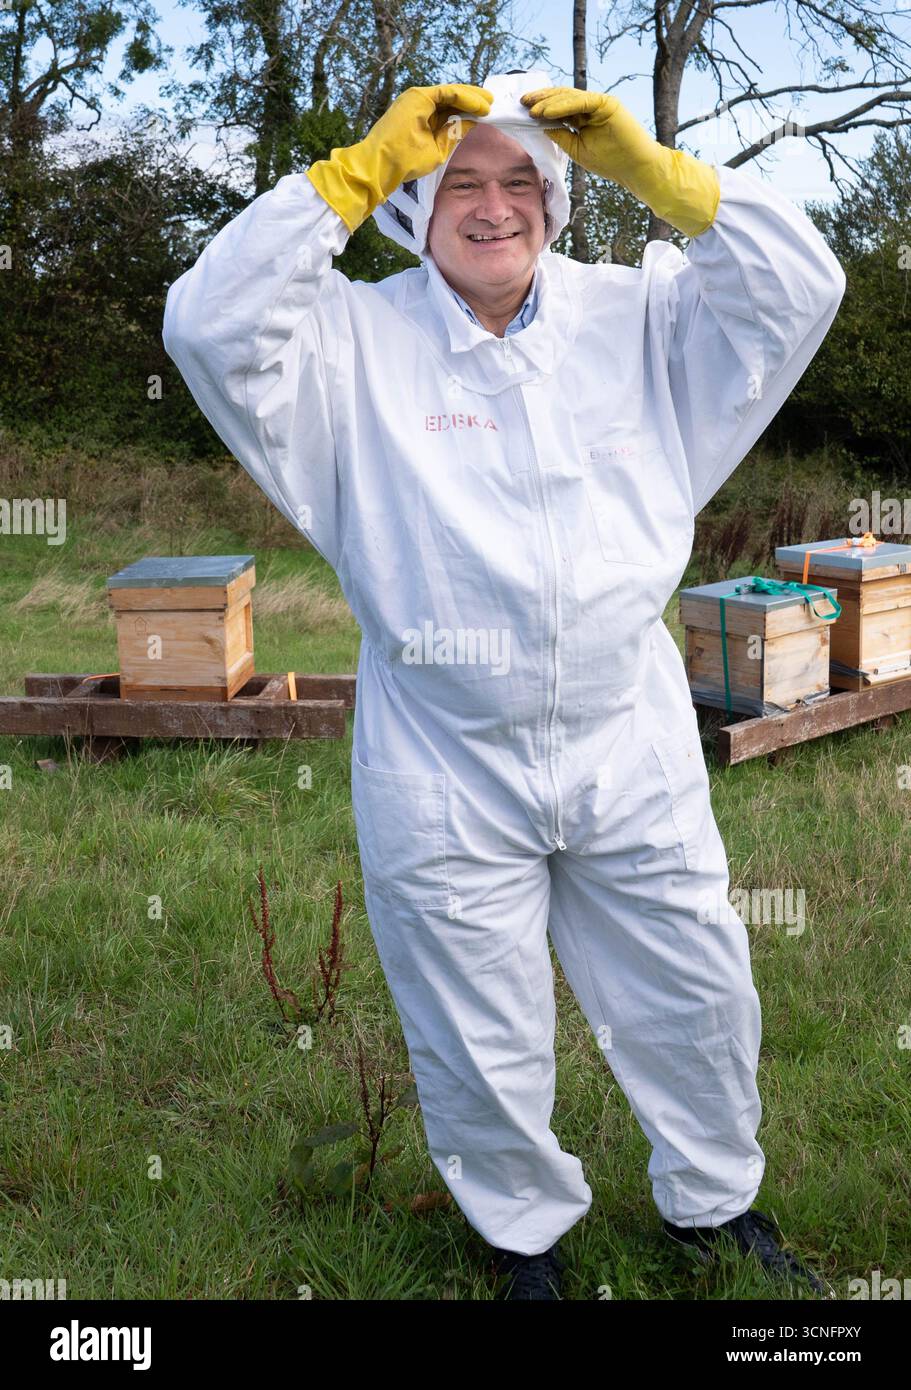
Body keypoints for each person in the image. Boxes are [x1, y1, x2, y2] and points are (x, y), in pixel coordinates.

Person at [162, 68, 846, 1301]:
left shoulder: (635, 316)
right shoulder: (349, 342)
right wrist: (347, 169)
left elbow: (800, 288)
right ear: (407, 213)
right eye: (456, 185)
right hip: (442, 753)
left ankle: (713, 1207)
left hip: (623, 729)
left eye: (519, 182)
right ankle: (520, 1238)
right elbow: (208, 326)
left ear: (560, 201)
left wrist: (664, 176)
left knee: (690, 982)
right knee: (475, 1023)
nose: (491, 207)